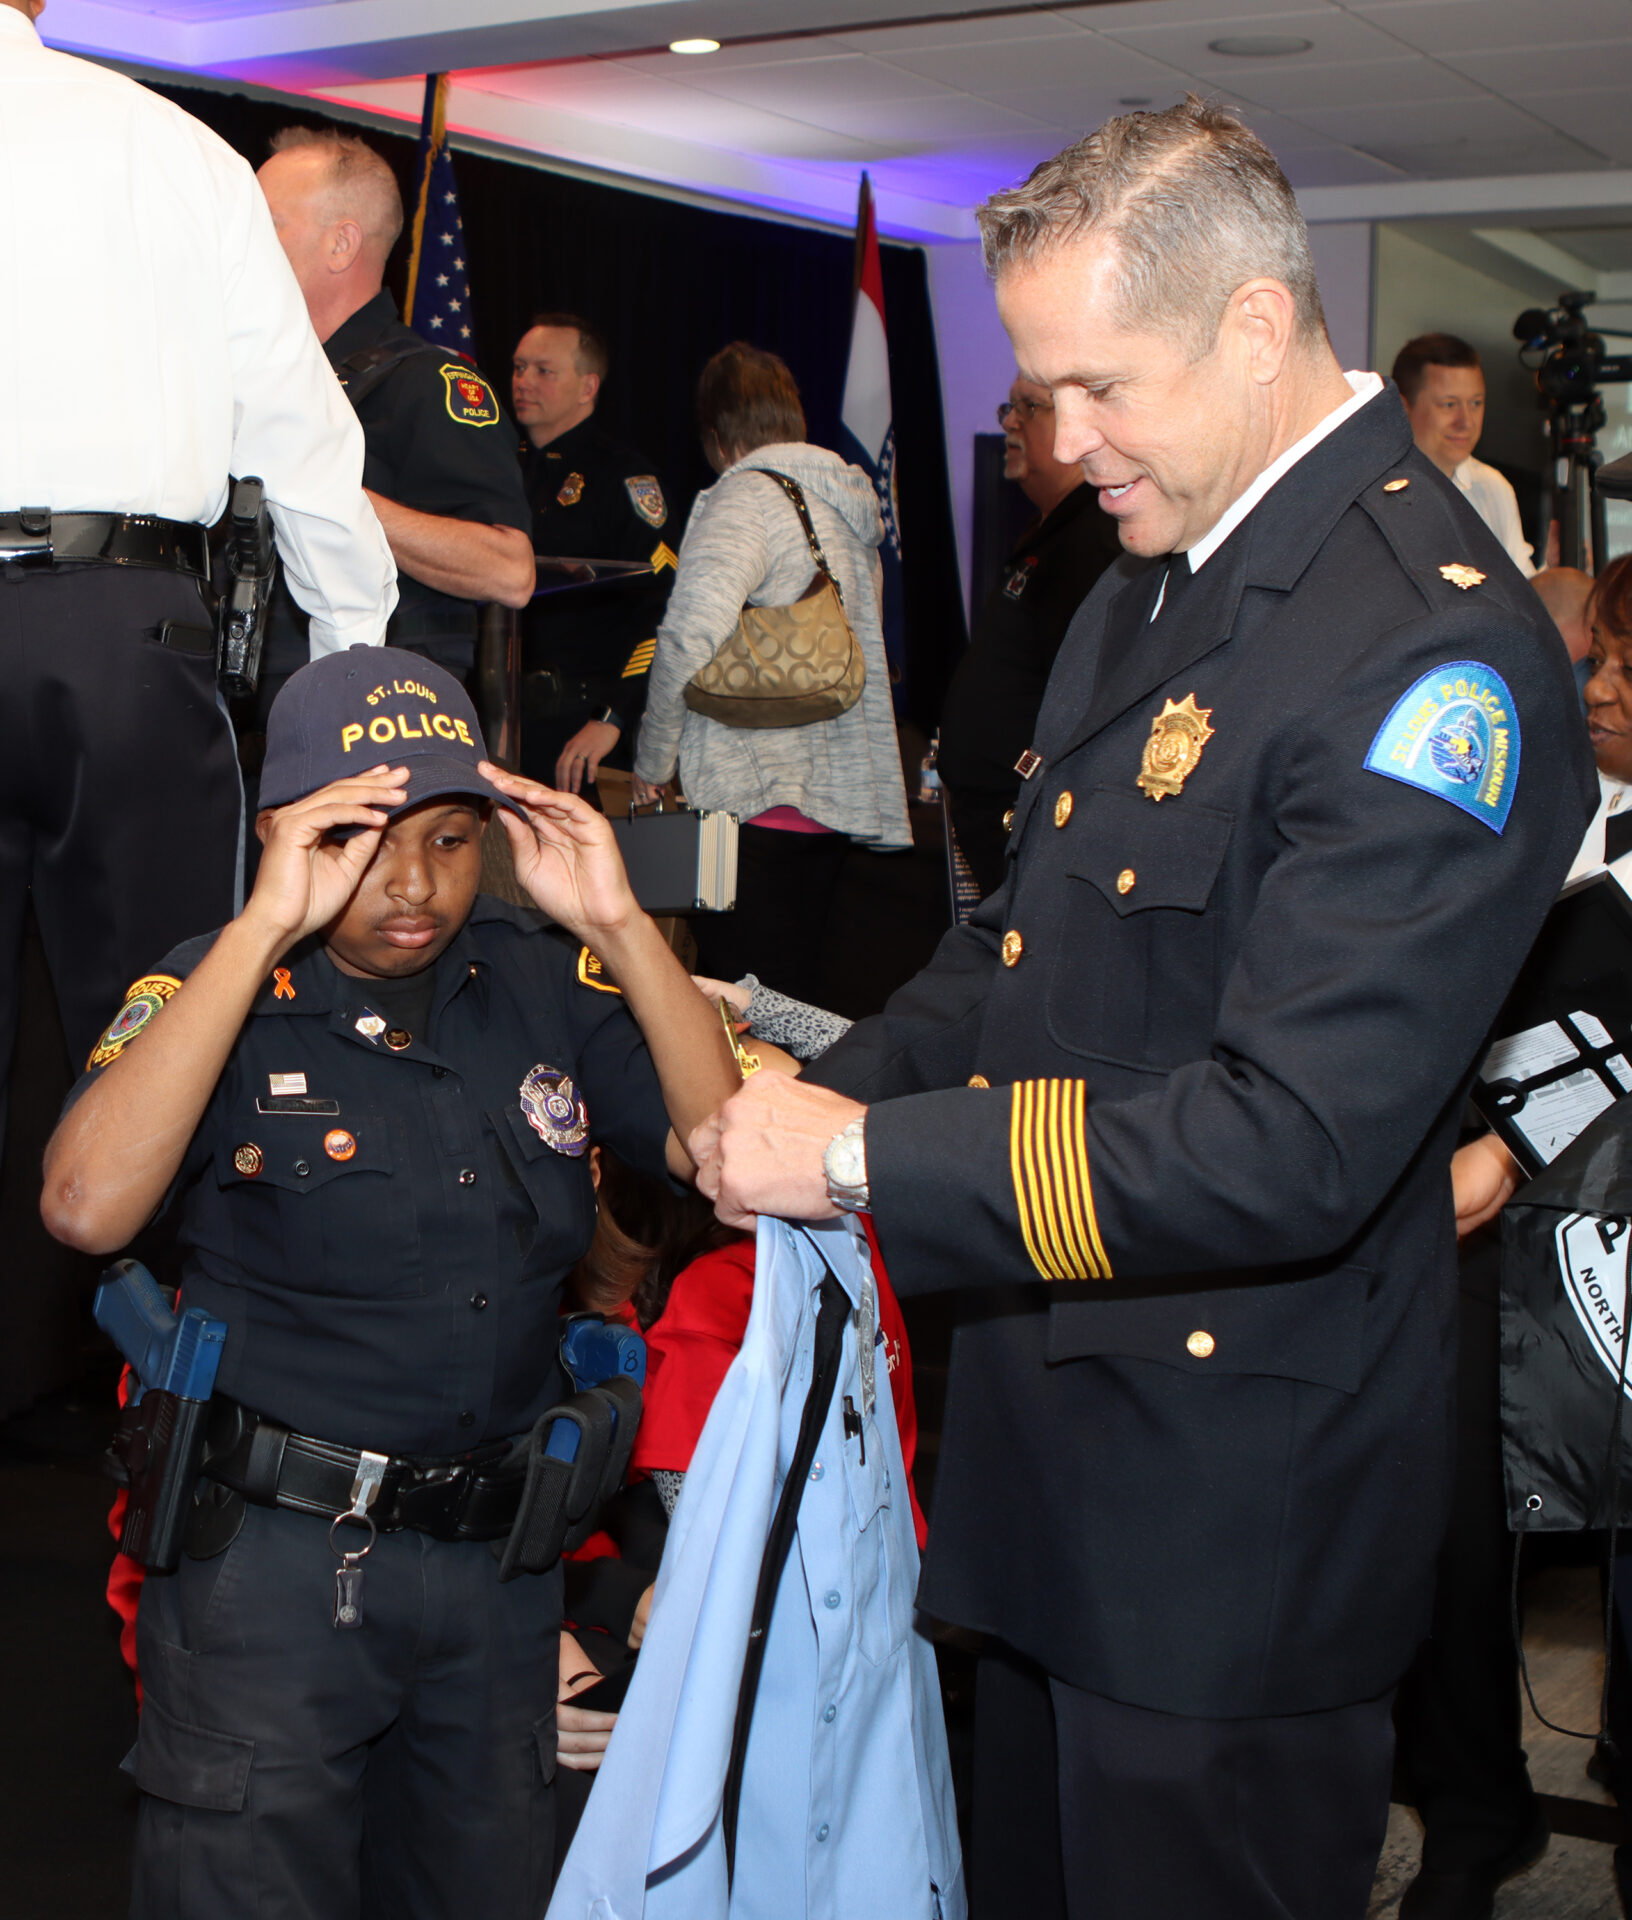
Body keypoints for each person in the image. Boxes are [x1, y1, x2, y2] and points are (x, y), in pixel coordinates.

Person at [687, 97, 1596, 1920]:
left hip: (1224, 1514)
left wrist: (863, 1155)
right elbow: (1020, 955)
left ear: (1255, 326)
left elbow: (1294, 1142)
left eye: (1096, 385)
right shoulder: (1155, 576)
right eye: (1039, 390)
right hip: (1047, 1449)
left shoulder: (1433, 650)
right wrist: (790, 1104)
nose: (1057, 438)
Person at [40, 645, 739, 1920]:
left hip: (497, 1573)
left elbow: (723, 1154)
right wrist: (258, 931)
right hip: (276, 1578)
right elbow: (86, 1209)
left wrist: (623, 925)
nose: (413, 886)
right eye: (366, 842)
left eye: (453, 840)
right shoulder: (209, 986)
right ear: (288, 833)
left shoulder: (540, 978)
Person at [0, 0, 394, 1150]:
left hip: (127, 619)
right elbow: (301, 440)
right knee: (158, 1035)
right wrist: (350, 691)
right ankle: (151, 1321)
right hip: (121, 631)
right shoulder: (172, 148)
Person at [633, 342, 911, 1007]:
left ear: (715, 434)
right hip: (835, 809)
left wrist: (652, 759)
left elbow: (686, 637)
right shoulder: (848, 504)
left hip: (747, 804)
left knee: (739, 1013)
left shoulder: (743, 499)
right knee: (799, 1009)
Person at [253, 124, 533, 725]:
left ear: (340, 245)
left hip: (376, 728)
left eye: (267, 224)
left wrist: (335, 501)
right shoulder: (265, 384)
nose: (243, 243)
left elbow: (508, 569)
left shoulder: (424, 385)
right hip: (258, 716)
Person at [937, 373, 1121, 897]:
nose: (1010, 422)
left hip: (1044, 838)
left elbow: (1090, 703)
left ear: (1077, 424)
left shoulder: (1096, 543)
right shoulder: (1054, 532)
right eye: (1009, 406)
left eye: (1029, 408)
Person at [512, 314, 677, 795]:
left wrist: (612, 717)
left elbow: (660, 609)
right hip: (498, 718)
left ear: (588, 386)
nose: (523, 381)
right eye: (519, 367)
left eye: (543, 371)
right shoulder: (499, 467)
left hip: (578, 729)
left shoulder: (623, 479)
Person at [1393, 333, 1538, 577]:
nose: (1466, 422)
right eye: (1449, 405)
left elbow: (1520, 592)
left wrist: (1553, 572)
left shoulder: (1494, 487)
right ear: (1402, 407)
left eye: (1476, 403)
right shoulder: (1374, 487)